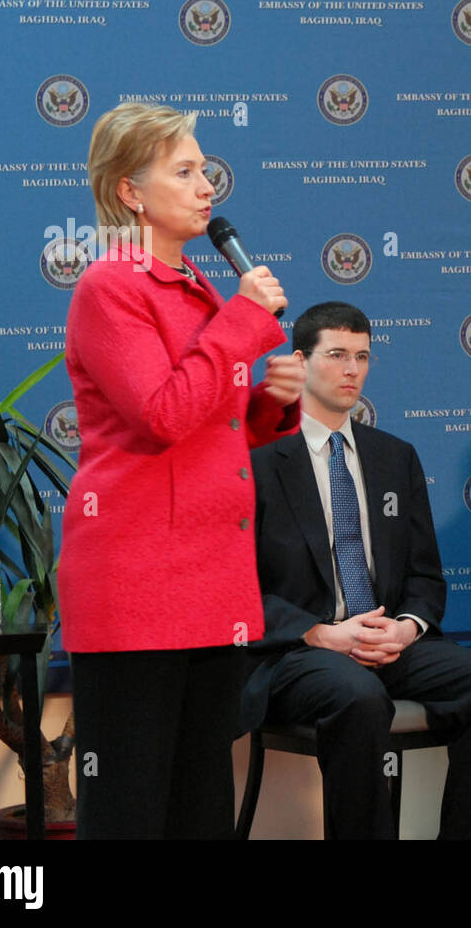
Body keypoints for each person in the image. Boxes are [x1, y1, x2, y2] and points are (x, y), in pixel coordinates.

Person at [62, 102, 304, 839]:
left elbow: (205, 427)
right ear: (131, 191)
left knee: (200, 808)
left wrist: (265, 406)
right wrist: (243, 321)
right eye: (185, 170)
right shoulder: (111, 286)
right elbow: (161, 413)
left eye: (205, 169)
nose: (207, 186)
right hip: (137, 588)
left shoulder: (194, 284)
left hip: (209, 587)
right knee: (131, 810)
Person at [241, 301, 471, 839]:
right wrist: (320, 632)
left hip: (386, 640)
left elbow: (425, 576)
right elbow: (236, 586)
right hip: (299, 648)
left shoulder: (396, 456)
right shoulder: (258, 458)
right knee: (358, 697)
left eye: (363, 357)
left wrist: (407, 627)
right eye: (338, 355)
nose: (352, 370)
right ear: (299, 362)